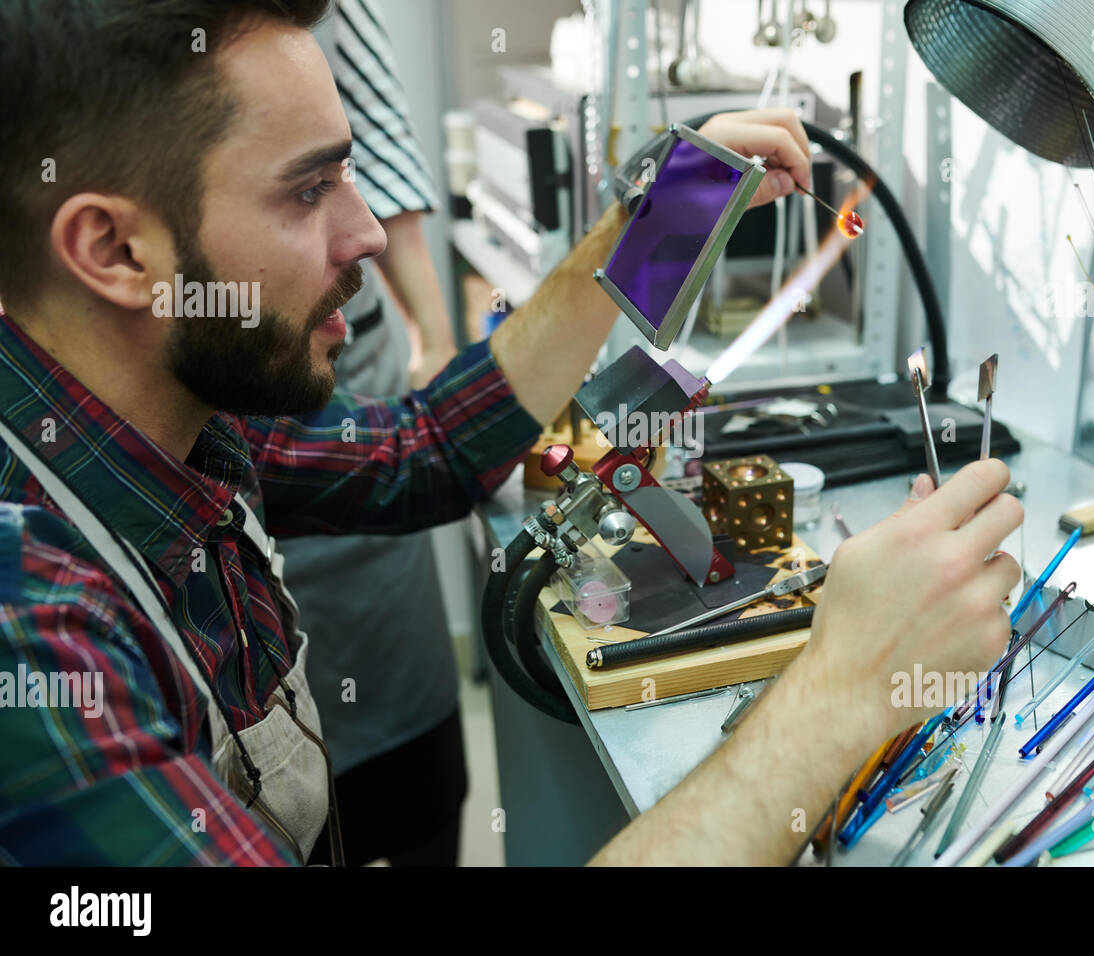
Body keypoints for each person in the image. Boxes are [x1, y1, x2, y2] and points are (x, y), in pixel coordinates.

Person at [0, 0, 1021, 866]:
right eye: (308, 190)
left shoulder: (179, 422)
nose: (366, 233)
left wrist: (662, 213)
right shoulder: (35, 636)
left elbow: (424, 451)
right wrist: (846, 687)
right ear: (113, 248)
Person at [277, 0, 469, 868]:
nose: (361, 234)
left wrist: (432, 336)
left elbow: (377, 142)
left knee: (414, 776)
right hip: (240, 363)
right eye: (310, 190)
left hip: (337, 377)